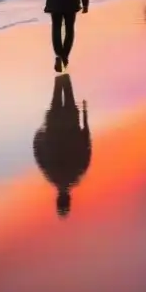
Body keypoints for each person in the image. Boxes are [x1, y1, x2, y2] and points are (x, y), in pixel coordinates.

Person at [32, 74, 91, 218]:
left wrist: (84, 114)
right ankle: (61, 59)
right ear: (58, 199)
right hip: (56, 121)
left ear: (68, 199)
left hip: (68, 121)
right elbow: (38, 148)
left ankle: (61, 59)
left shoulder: (76, 172)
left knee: (64, 82)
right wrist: (41, 133)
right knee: (60, 83)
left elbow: (86, 141)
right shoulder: (52, 174)